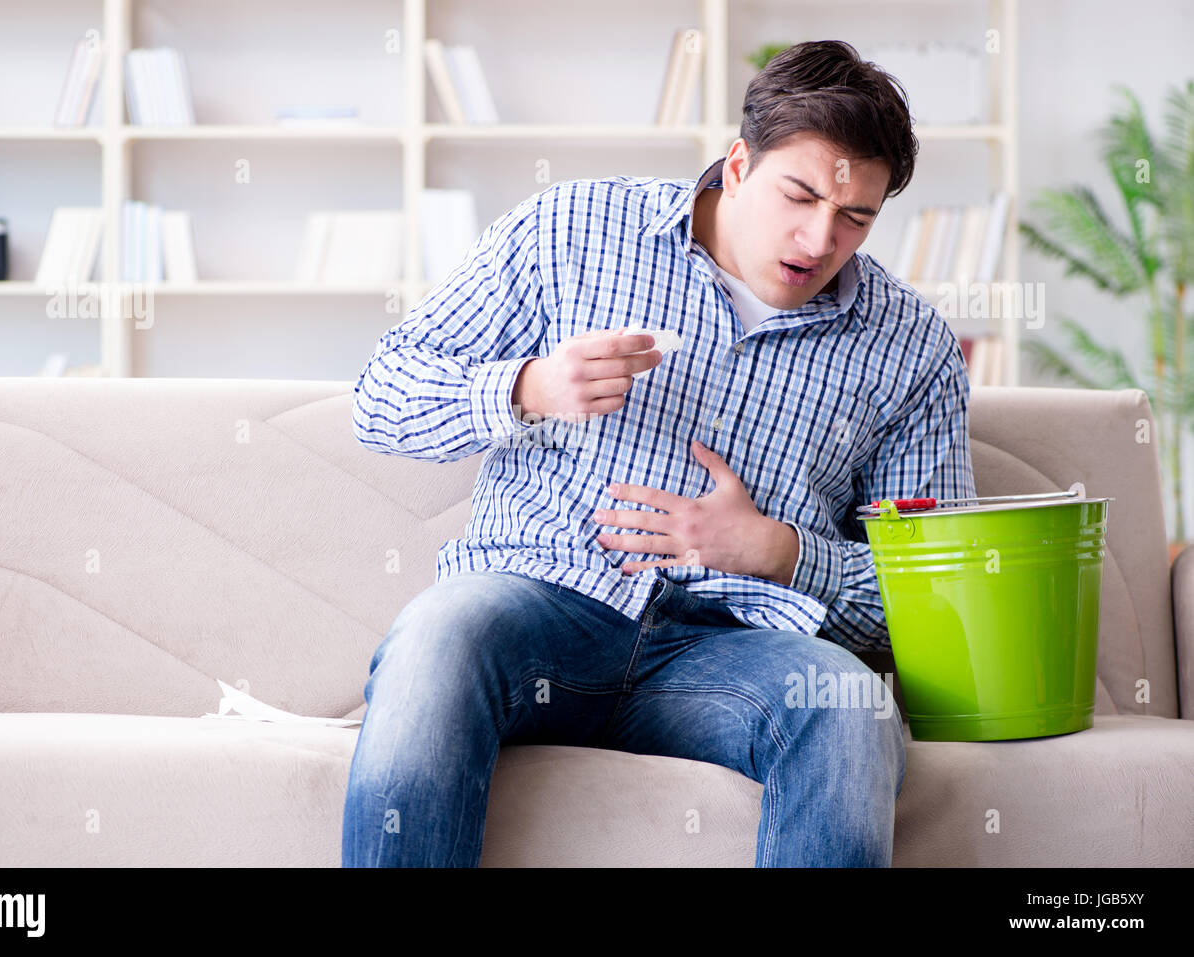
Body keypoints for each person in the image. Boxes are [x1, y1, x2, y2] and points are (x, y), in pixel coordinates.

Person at [344, 39, 977, 867]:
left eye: (856, 217)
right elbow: (379, 397)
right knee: (436, 637)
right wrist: (526, 387)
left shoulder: (912, 347)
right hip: (534, 611)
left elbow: (937, 601)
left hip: (730, 651)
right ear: (739, 164)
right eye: (800, 194)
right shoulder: (569, 229)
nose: (820, 238)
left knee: (850, 704)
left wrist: (782, 554)